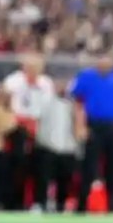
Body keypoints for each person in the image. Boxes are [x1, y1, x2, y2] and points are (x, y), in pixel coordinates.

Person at [72, 52, 113, 212]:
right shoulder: (86, 77)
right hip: (94, 125)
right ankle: (83, 205)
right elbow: (77, 103)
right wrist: (80, 125)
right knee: (89, 167)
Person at [1, 54, 52, 210]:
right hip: (18, 126)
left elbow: (48, 106)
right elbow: (5, 103)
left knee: (41, 166)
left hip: (40, 127)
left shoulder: (45, 83)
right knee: (17, 166)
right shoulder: (13, 81)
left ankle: (39, 202)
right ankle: (14, 203)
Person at [34, 77, 83, 212]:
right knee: (44, 178)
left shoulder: (73, 103)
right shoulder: (46, 100)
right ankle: (41, 203)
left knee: (64, 179)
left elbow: (79, 124)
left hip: (68, 147)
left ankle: (61, 204)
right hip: (48, 146)